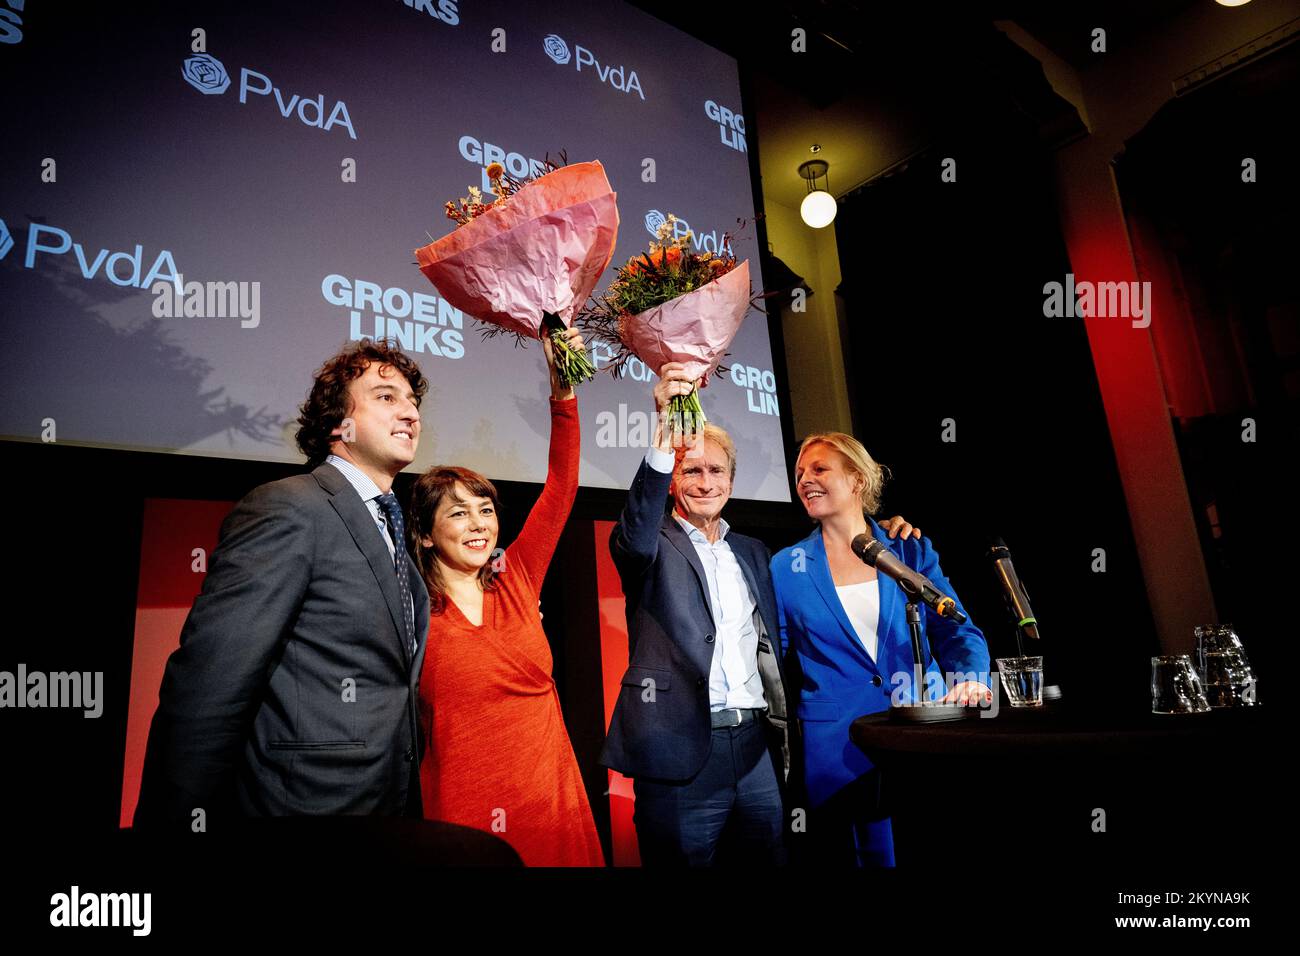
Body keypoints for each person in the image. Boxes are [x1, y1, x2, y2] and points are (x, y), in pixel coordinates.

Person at [599, 364, 914, 866]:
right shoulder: (649, 543)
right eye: (691, 470)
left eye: (716, 470)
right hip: (678, 755)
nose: (705, 482)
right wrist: (662, 435)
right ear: (673, 480)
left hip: (755, 752)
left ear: (732, 479)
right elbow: (635, 529)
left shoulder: (755, 552)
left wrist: (889, 527)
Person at [135, 339, 430, 825]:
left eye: (413, 402)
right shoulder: (290, 507)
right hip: (300, 810)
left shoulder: (392, 522)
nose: (410, 414)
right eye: (385, 397)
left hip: (385, 807)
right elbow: (211, 682)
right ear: (339, 423)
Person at [409, 326, 604, 867]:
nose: (478, 526)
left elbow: (561, 485)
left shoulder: (517, 576)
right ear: (425, 533)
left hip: (548, 794)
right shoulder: (408, 606)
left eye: (486, 510)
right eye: (457, 512)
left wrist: (563, 392)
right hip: (461, 805)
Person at [770, 432, 992, 866]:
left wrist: (969, 680)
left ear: (856, 480)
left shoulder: (908, 547)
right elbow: (775, 659)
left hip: (922, 735)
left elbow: (957, 630)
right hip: (838, 747)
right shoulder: (786, 566)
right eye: (799, 474)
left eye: (819, 469)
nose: (805, 480)